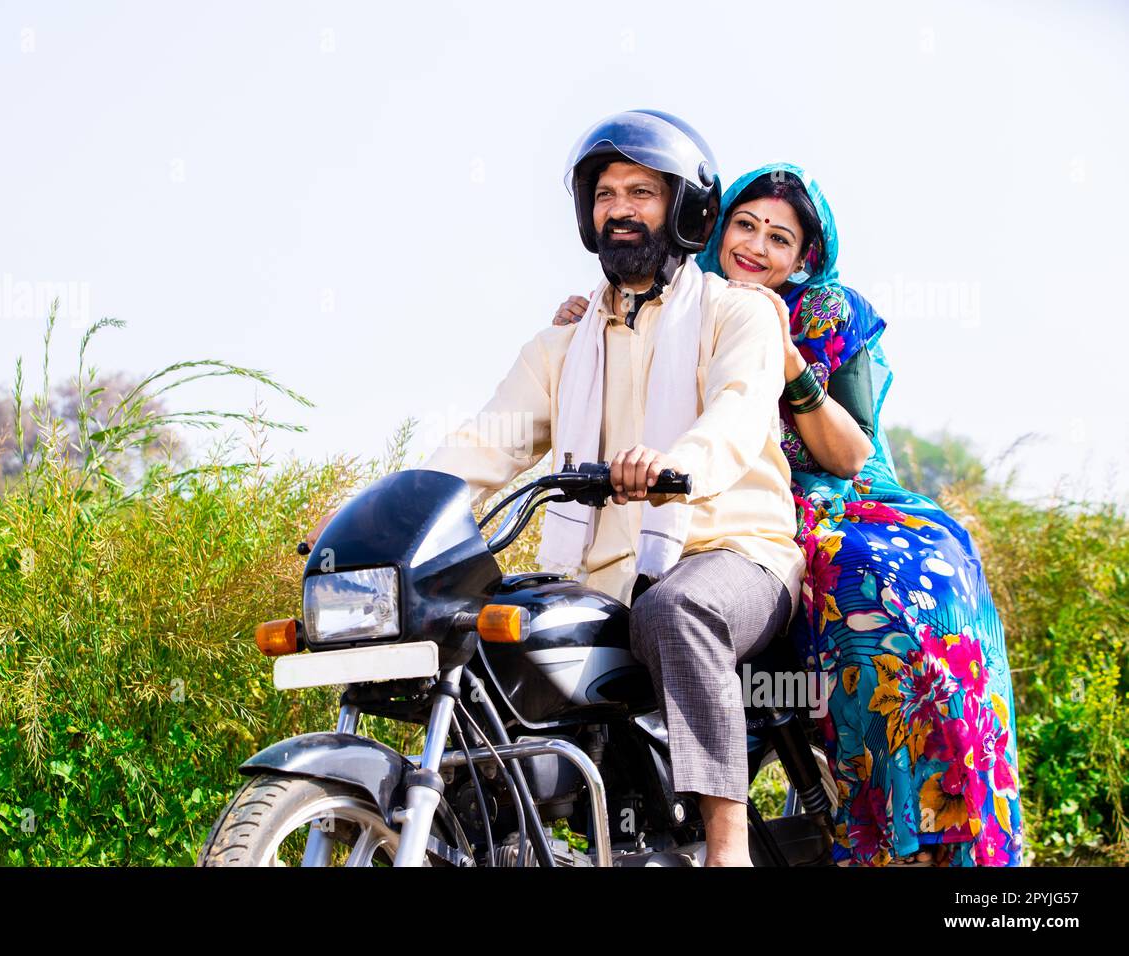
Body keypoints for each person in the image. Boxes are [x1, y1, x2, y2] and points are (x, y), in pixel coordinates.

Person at [307, 111, 804, 866]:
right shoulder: (561, 350)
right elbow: (484, 440)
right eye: (606, 195)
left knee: (679, 610)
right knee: (484, 635)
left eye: (642, 191)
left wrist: (679, 464)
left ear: (686, 209)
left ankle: (727, 847)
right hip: (604, 577)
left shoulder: (740, 315)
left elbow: (737, 412)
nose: (621, 209)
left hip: (731, 551)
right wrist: (381, 518)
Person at [553, 162, 1023, 866]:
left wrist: (792, 363)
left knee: (881, 574)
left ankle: (915, 815)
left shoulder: (824, 315)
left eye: (779, 237)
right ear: (713, 228)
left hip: (823, 497)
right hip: (699, 499)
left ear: (805, 257)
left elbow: (848, 454)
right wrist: (586, 329)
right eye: (745, 225)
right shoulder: (677, 300)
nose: (756, 246)